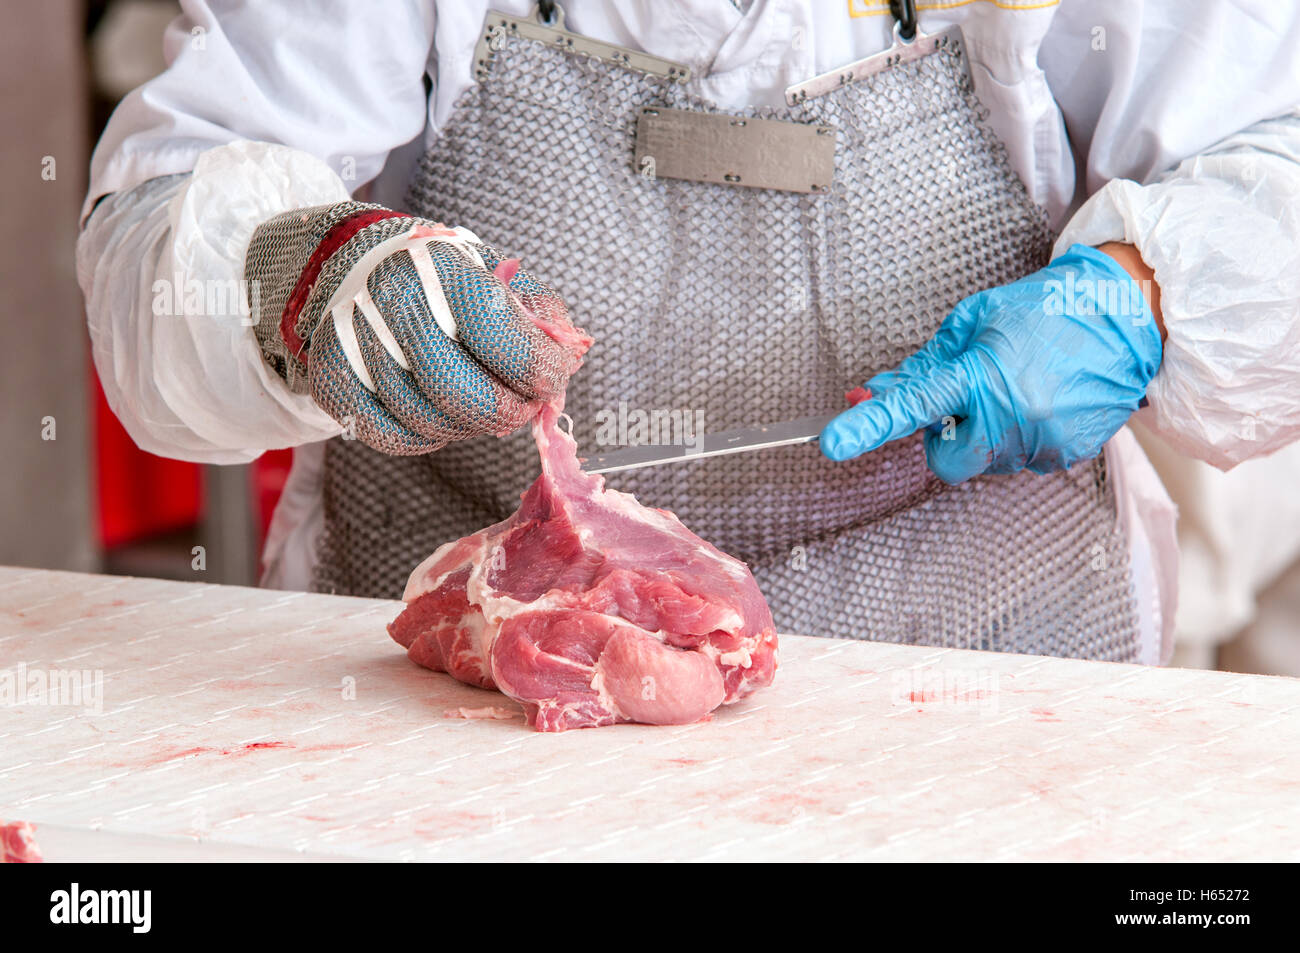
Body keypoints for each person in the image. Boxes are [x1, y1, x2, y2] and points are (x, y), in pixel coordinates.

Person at [77, 0, 1300, 665]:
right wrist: (291, 273)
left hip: (989, 670)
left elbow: (1273, 160)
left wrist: (1142, 293)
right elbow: (161, 232)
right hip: (482, 674)